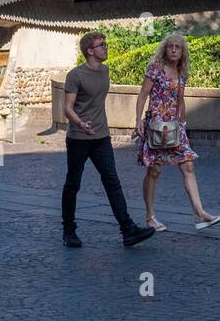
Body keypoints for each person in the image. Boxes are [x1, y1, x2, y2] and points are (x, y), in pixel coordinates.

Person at [62, 32, 154, 250]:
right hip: (78, 139)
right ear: (89, 51)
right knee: (73, 184)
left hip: (101, 137)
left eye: (105, 44)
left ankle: (128, 230)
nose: (106, 47)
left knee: (112, 181)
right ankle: (69, 231)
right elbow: (67, 108)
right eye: (101, 45)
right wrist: (80, 123)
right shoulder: (75, 75)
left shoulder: (105, 71)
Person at [134, 31, 220, 232]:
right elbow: (143, 95)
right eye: (170, 46)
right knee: (154, 170)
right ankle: (150, 217)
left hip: (175, 126)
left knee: (188, 165)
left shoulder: (182, 72)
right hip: (156, 126)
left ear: (183, 51)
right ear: (165, 49)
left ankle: (200, 214)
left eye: (178, 47)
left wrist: (183, 122)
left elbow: (180, 99)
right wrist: (138, 120)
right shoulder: (155, 69)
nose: (174, 50)